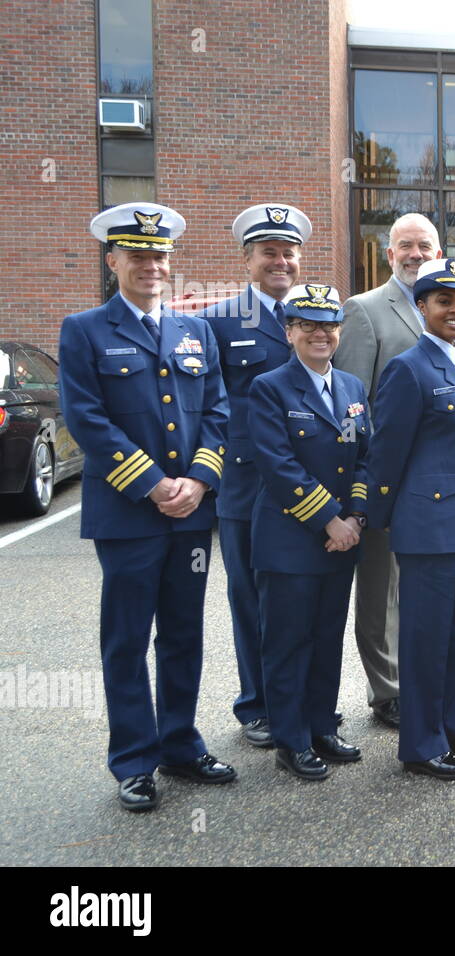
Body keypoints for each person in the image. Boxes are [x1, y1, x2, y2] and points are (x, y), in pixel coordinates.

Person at [60, 202, 235, 811]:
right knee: (128, 638)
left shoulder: (196, 332)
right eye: (137, 255)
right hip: (130, 514)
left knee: (184, 634)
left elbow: (218, 412)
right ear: (113, 261)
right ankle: (134, 760)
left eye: (159, 255)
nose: (151, 265)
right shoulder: (84, 330)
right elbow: (86, 418)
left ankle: (180, 744)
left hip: (191, 510)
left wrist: (199, 480)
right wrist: (154, 483)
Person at [334, 213, 455, 728]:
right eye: (405, 247)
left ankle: (427, 683)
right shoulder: (364, 311)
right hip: (387, 477)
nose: (416, 254)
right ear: (389, 255)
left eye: (425, 246)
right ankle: (387, 689)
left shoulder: (450, 308)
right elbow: (350, 404)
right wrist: (363, 484)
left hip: (438, 486)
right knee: (380, 589)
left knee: (426, 591)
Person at [368, 259, 455, 779]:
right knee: (424, 641)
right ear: (421, 307)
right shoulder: (409, 367)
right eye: (443, 300)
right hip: (429, 530)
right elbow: (386, 453)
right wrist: (376, 519)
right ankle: (420, 745)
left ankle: (450, 724)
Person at [247, 284, 369, 780]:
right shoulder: (269, 387)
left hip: (341, 540)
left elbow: (366, 458)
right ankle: (291, 739)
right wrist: (331, 520)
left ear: (339, 331)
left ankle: (322, 725)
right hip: (291, 541)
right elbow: (278, 466)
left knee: (325, 638)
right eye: (308, 325)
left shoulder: (352, 388)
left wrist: (357, 517)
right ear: (289, 331)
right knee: (288, 642)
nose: (320, 333)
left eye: (328, 325)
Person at [202, 203, 312, 747]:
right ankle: (258, 704)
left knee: (304, 599)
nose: (281, 261)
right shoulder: (218, 321)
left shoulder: (317, 316)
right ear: (247, 258)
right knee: (250, 598)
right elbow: (208, 407)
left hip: (309, 485)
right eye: (269, 252)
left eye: (289, 252)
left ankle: (306, 702)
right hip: (246, 486)